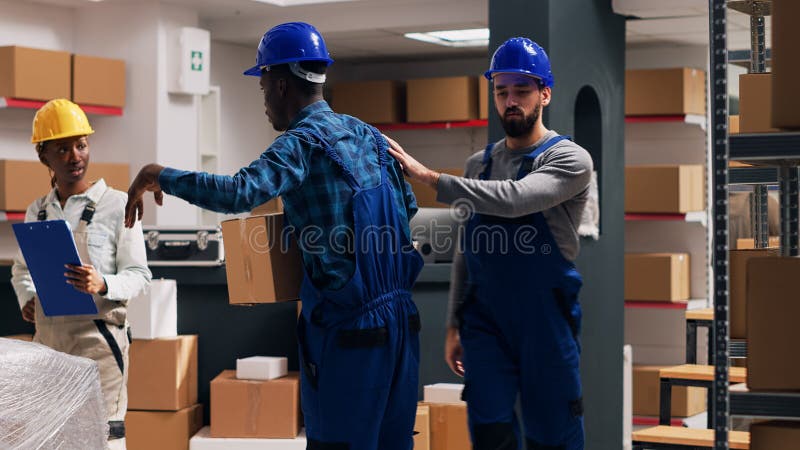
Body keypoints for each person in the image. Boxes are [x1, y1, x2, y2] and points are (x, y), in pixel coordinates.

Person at [124, 22, 423, 450]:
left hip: (352, 334)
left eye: (263, 88)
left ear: (282, 86)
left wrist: (161, 175)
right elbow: (406, 208)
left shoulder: (299, 144)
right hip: (403, 326)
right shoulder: (370, 136)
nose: (264, 102)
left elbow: (238, 193)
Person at [387, 37, 593, 450]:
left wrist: (430, 178)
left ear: (545, 94)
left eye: (522, 90)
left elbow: (516, 199)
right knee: (489, 432)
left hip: (545, 322)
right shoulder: (477, 165)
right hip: (485, 322)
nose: (510, 101)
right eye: (501, 92)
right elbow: (467, 249)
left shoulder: (570, 159)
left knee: (553, 434)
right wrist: (454, 323)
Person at [11, 98, 152, 449]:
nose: (75, 156)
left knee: (104, 438)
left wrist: (103, 283)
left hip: (99, 345)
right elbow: (21, 269)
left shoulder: (118, 204)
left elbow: (139, 275)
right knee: (53, 438)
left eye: (81, 145)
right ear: (44, 156)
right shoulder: (37, 212)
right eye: (62, 149)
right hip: (49, 347)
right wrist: (27, 297)